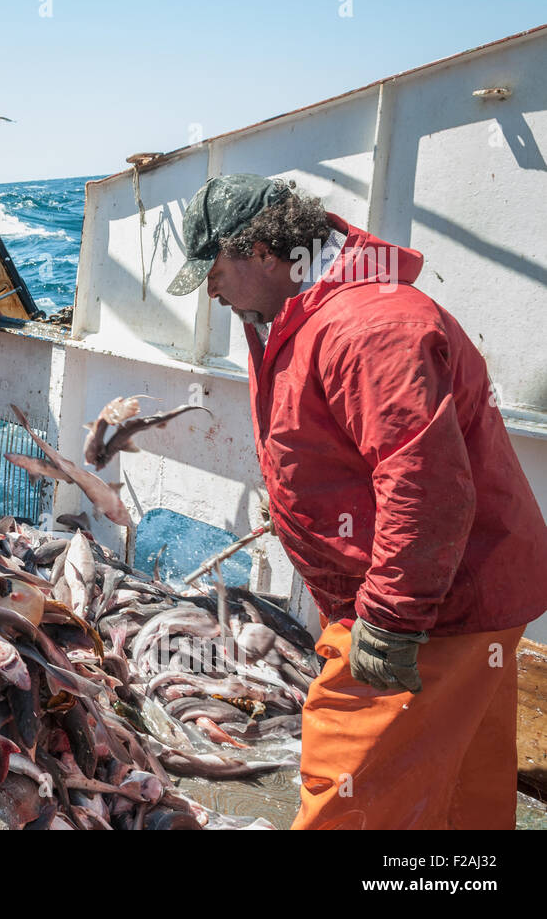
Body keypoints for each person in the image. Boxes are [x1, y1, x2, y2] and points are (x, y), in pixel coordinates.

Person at [167, 172, 547, 829]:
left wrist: (392, 617)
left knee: (350, 795)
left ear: (260, 251)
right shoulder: (295, 313)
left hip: (431, 609)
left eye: (213, 268)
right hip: (459, 597)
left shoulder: (368, 326)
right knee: (461, 800)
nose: (209, 288)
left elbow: (426, 482)